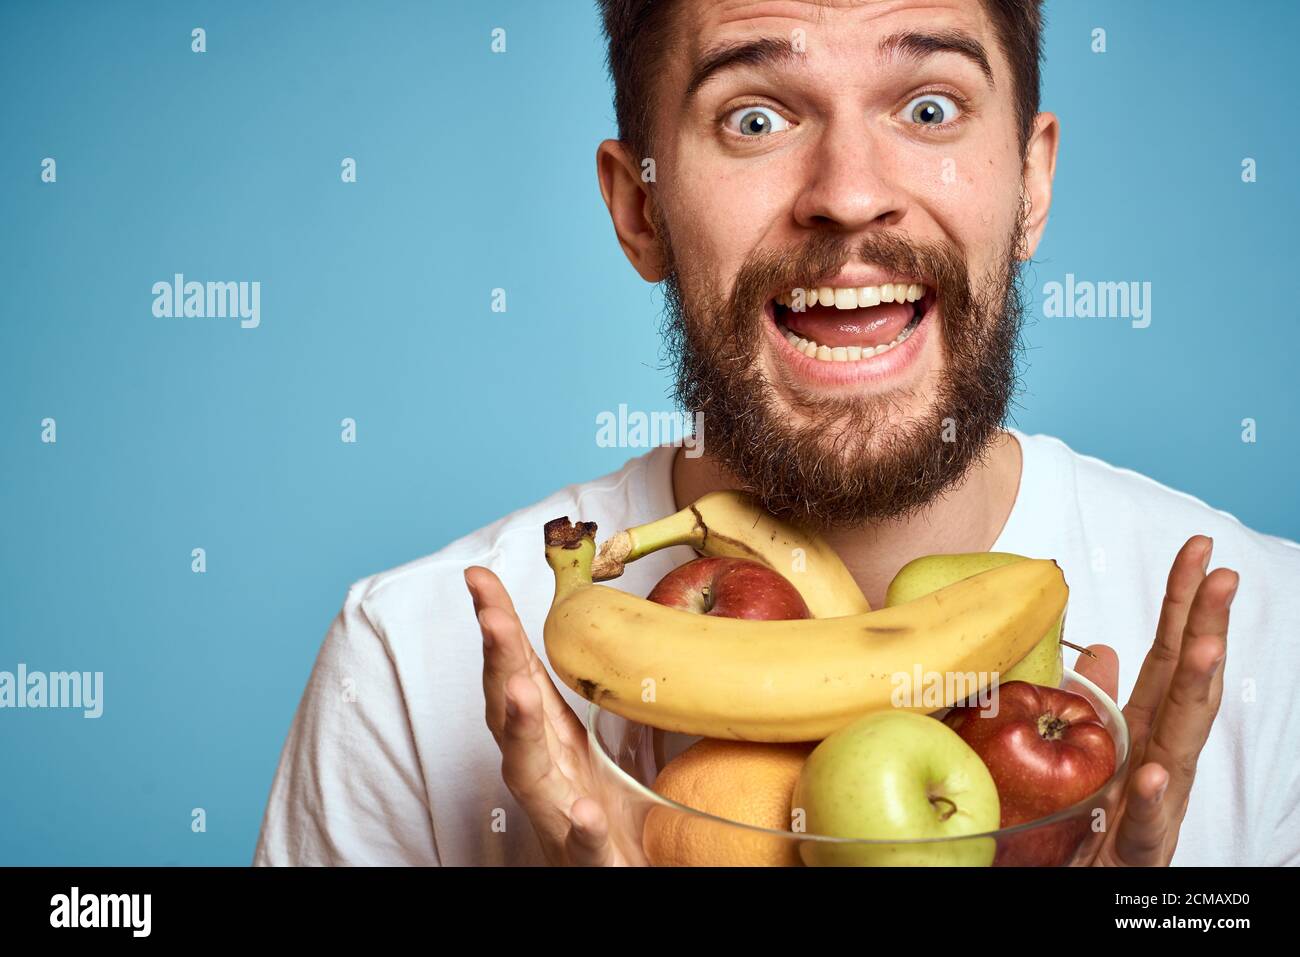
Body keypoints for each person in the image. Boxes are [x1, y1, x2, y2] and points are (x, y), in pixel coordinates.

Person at [253, 0, 1300, 866]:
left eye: (929, 107)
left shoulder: (1276, 658)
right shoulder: (407, 676)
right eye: (754, 119)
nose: (848, 196)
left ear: (1031, 185)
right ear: (639, 211)